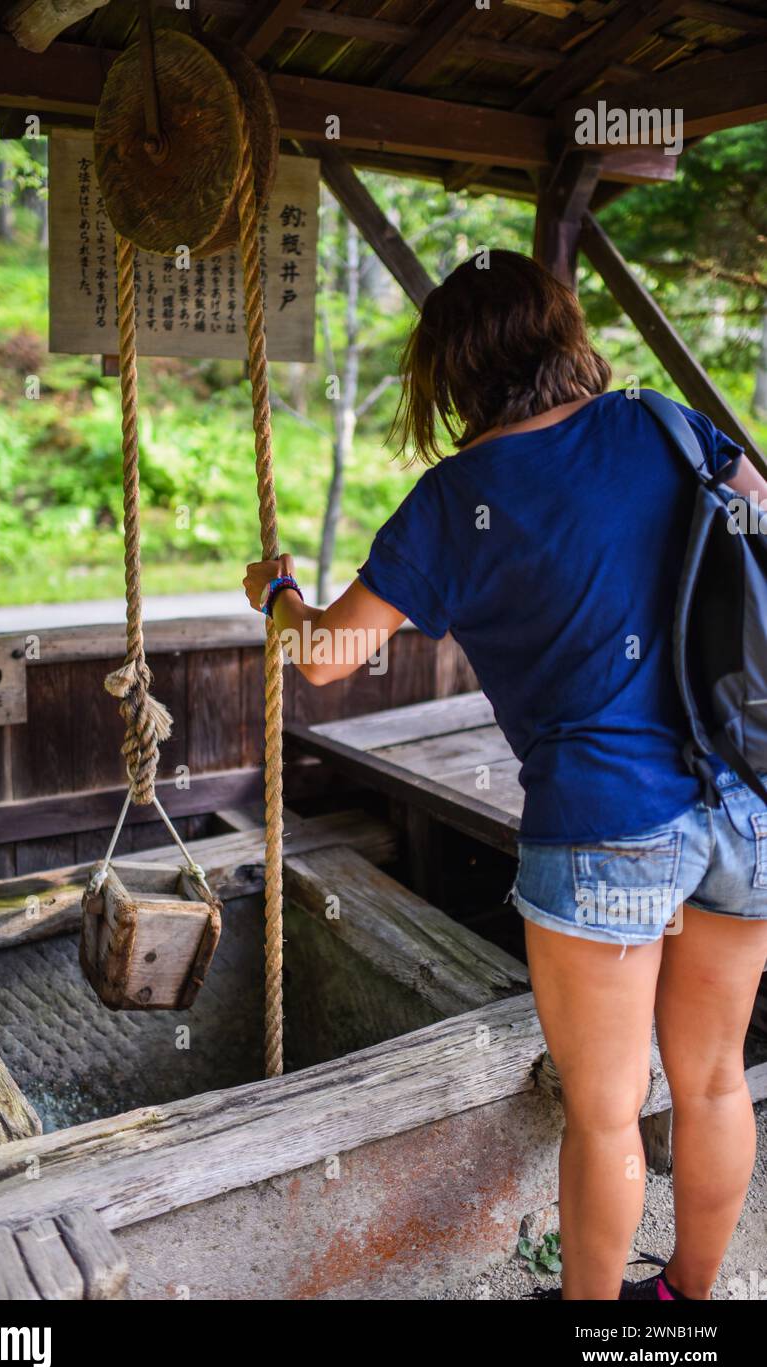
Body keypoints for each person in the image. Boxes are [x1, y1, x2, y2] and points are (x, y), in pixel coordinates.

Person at [243, 249, 767, 1301]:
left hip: (604, 818)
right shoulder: (662, 423)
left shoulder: (457, 497)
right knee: (713, 1078)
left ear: (452, 374)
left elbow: (327, 657)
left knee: (608, 1109)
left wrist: (279, 594)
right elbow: (755, 518)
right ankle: (684, 1305)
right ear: (562, 335)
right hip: (743, 798)